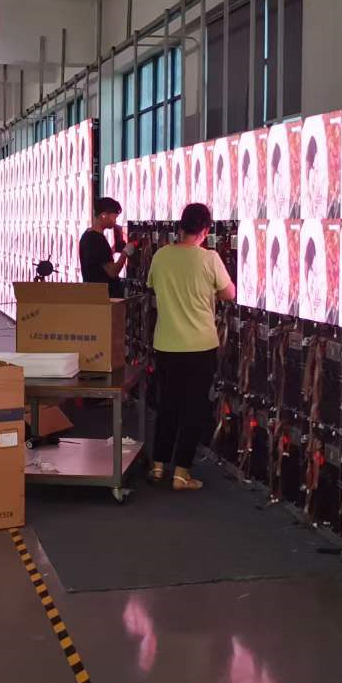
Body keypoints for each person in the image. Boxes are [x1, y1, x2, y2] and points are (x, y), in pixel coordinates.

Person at [147, 203, 236, 490]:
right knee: (194, 408)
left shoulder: (161, 256)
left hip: (166, 344)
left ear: (180, 226)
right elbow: (229, 293)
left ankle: (158, 466)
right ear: (205, 230)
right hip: (199, 346)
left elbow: (153, 285)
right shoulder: (209, 259)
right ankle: (181, 473)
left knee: (167, 405)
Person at [78, 196, 132, 297]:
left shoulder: (86, 235)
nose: (115, 221)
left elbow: (98, 263)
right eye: (114, 217)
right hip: (104, 297)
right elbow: (113, 272)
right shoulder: (97, 240)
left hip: (93, 294)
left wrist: (112, 250)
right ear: (103, 215)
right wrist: (125, 253)